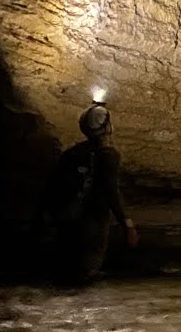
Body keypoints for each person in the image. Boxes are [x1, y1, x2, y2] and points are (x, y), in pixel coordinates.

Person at [47, 101, 137, 282]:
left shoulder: (71, 153)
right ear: (108, 127)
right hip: (94, 221)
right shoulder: (109, 155)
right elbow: (112, 190)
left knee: (66, 271)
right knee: (87, 272)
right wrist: (127, 225)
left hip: (68, 218)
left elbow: (54, 187)